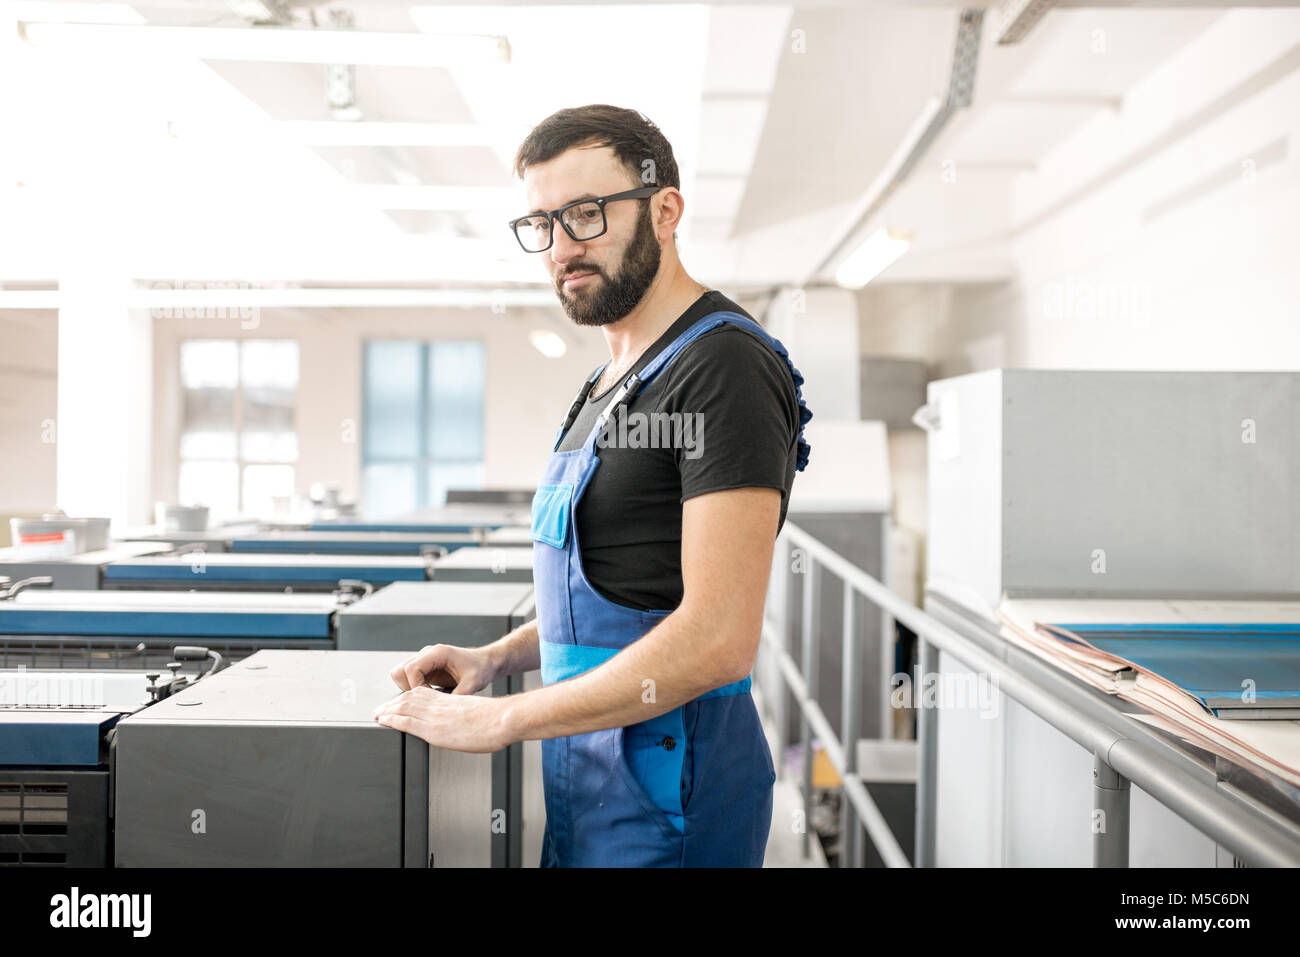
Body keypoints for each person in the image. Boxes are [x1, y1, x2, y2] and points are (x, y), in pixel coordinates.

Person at [375, 104, 812, 867]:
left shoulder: (723, 369)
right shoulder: (608, 380)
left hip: (674, 788)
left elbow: (717, 641)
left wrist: (504, 721)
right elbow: (621, 595)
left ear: (665, 210)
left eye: (584, 214)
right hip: (590, 774)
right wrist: (499, 659)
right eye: (542, 223)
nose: (561, 248)